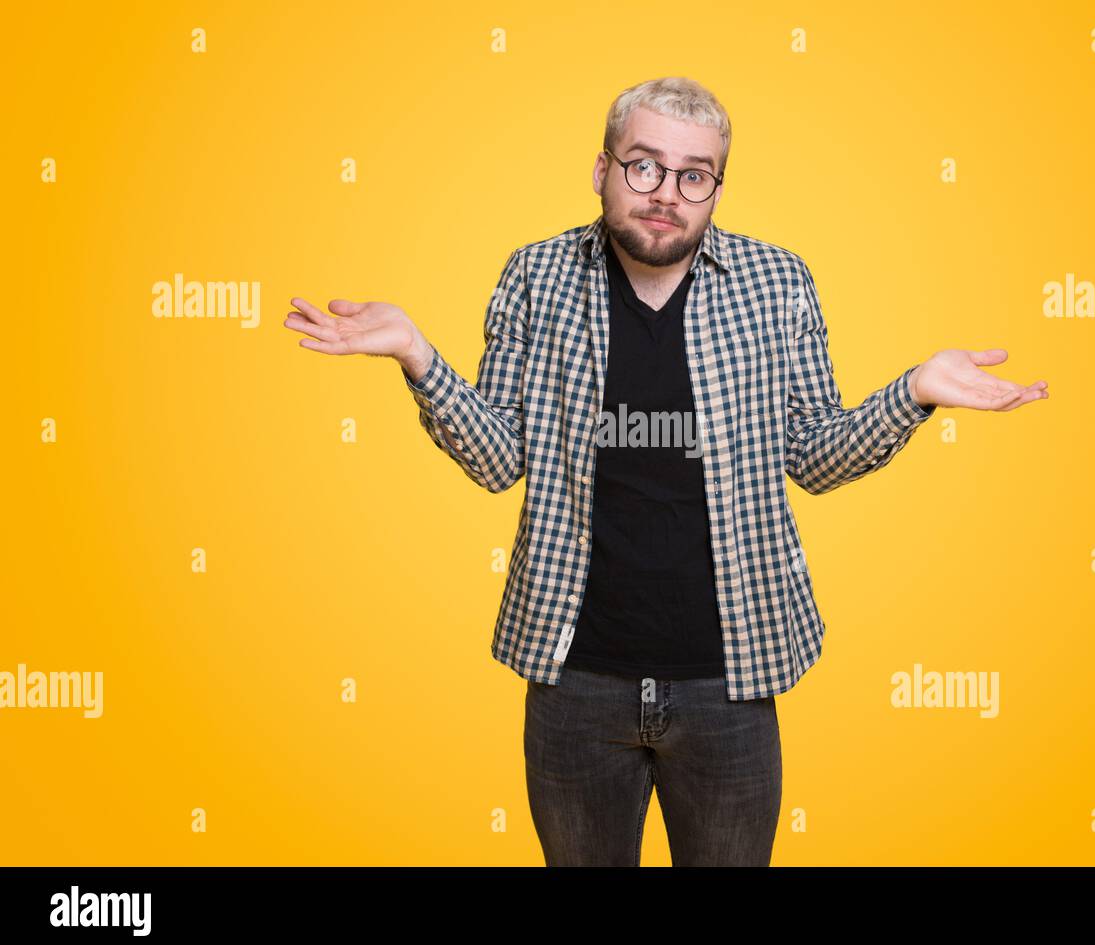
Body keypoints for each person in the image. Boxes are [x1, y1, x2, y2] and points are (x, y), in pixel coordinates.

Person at [285, 76, 1048, 866]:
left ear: (716, 186)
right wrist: (417, 354)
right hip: (574, 676)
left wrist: (914, 392)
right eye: (643, 166)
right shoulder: (536, 277)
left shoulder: (776, 283)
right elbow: (498, 458)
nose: (665, 194)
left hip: (732, 678)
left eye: (694, 175)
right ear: (602, 170)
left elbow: (815, 458)